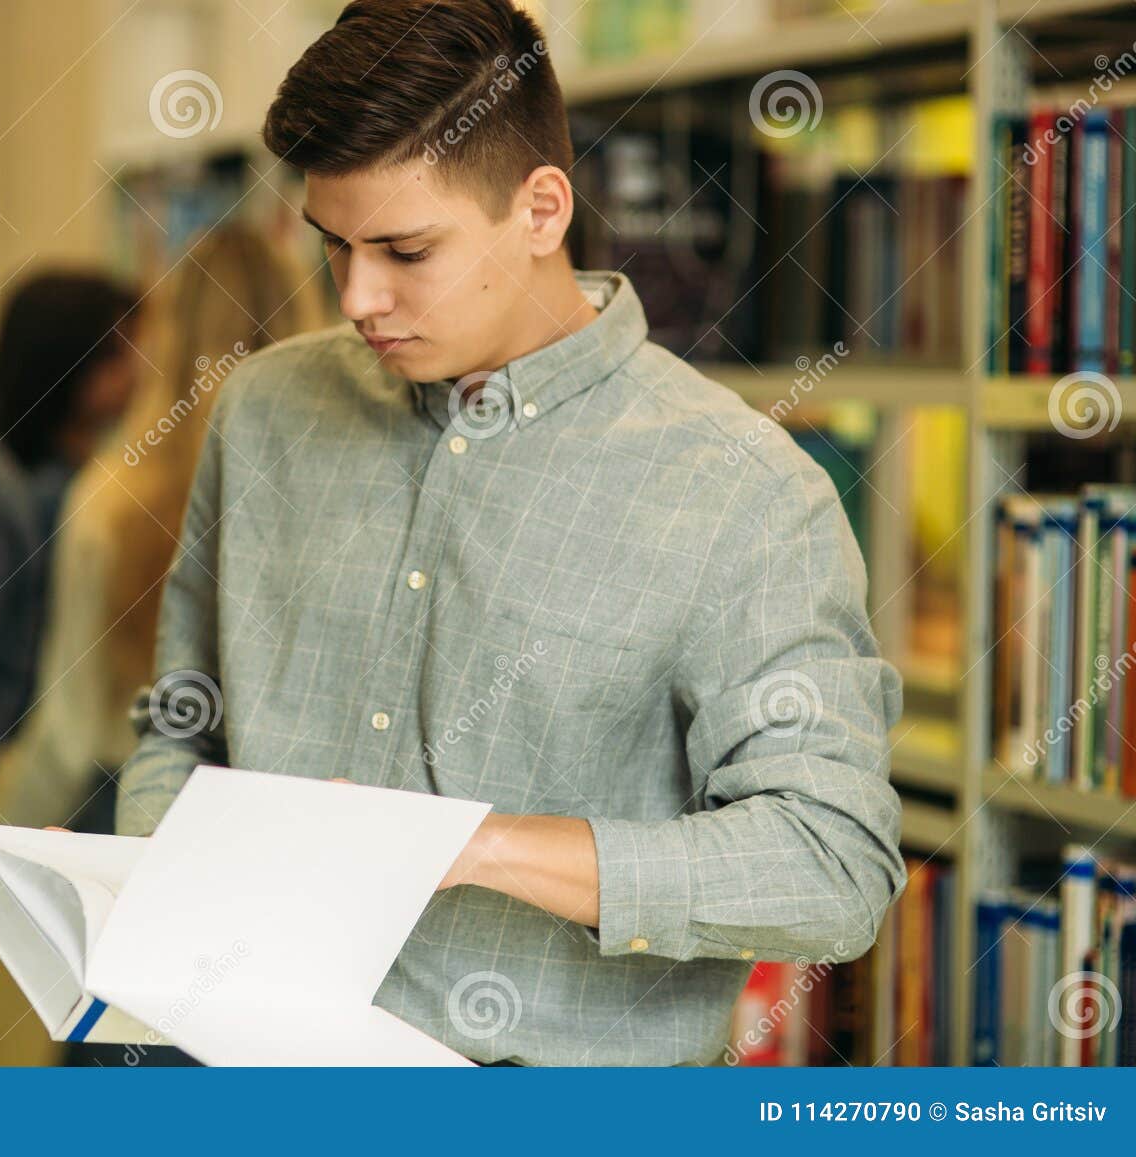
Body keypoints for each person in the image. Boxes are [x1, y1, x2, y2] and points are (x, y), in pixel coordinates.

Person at [111, 0, 906, 1066]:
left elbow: (830, 863)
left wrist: (473, 848)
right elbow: (180, 725)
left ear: (540, 210)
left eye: (404, 249)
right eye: (333, 246)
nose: (355, 295)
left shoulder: (741, 488)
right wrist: (154, 891)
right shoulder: (264, 411)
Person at [6, 220, 321, 839]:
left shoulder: (111, 498)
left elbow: (69, 730)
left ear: (166, 335)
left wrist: (0, 836)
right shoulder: (339, 482)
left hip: (129, 805)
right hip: (289, 815)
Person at [0, 236, 140, 1034]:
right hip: (4, 800)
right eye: (130, 353)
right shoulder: (54, 499)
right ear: (86, 371)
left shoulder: (15, 474)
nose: (144, 374)